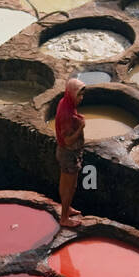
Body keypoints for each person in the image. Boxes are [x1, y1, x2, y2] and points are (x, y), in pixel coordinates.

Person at [55, 77, 85, 227]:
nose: (81, 98)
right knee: (70, 187)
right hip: (69, 154)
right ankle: (64, 218)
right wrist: (81, 127)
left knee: (64, 184)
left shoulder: (64, 102)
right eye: (79, 95)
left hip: (63, 152)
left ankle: (66, 209)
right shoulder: (67, 115)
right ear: (71, 94)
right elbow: (68, 140)